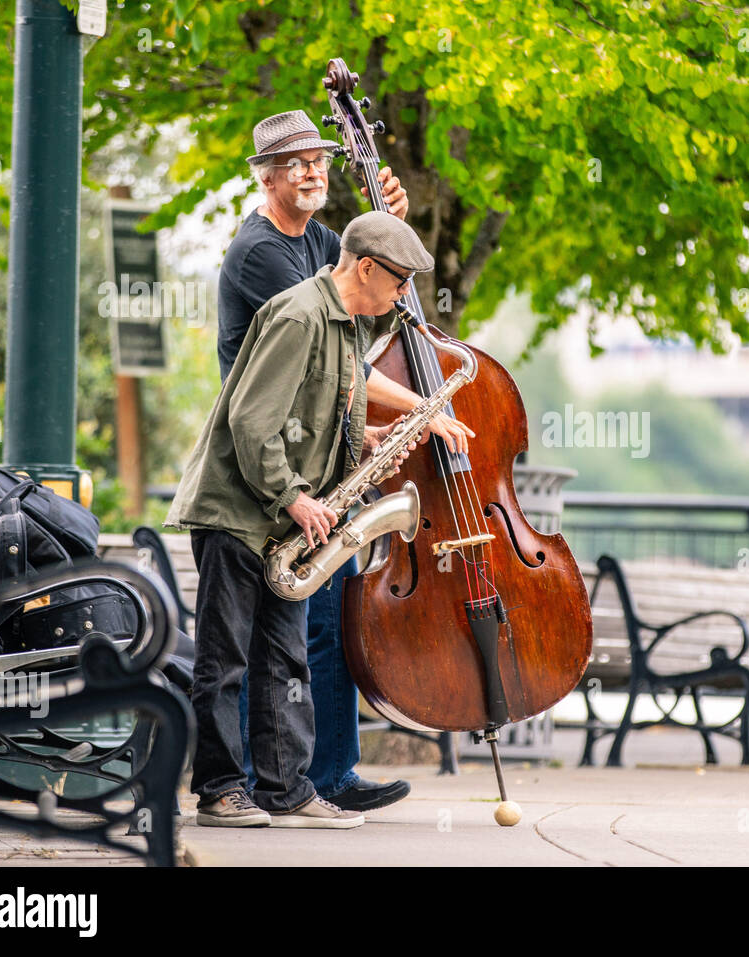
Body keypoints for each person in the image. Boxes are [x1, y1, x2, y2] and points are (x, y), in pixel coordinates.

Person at [166, 211, 461, 826]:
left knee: (286, 658)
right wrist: (295, 497)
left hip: (285, 521)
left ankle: (287, 791)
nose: (405, 294)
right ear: (367, 267)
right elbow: (251, 421)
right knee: (226, 659)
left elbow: (315, 414)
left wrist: (371, 438)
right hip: (241, 512)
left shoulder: (349, 327)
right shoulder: (300, 314)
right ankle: (220, 792)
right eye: (401, 280)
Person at [218, 110, 473, 812]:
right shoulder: (261, 253)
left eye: (319, 159)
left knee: (320, 626)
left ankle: (320, 773)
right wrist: (419, 409)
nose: (311, 171)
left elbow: (366, 297)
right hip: (269, 471)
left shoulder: (323, 240)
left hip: (315, 458)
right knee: (276, 637)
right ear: (266, 177)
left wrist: (388, 222)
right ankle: (267, 780)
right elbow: (338, 357)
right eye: (294, 162)